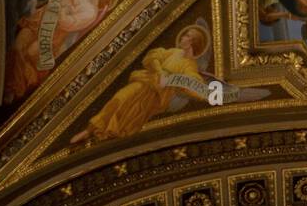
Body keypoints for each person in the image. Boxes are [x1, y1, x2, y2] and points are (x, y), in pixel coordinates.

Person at [70, 25, 210, 143]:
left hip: (153, 96)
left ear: (192, 42)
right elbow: (153, 57)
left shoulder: (190, 66)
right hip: (144, 81)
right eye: (184, 34)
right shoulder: (174, 52)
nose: (182, 37)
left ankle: (106, 137)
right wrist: (160, 71)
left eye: (187, 36)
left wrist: (204, 91)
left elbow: (193, 85)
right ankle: (89, 130)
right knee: (119, 98)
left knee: (130, 118)